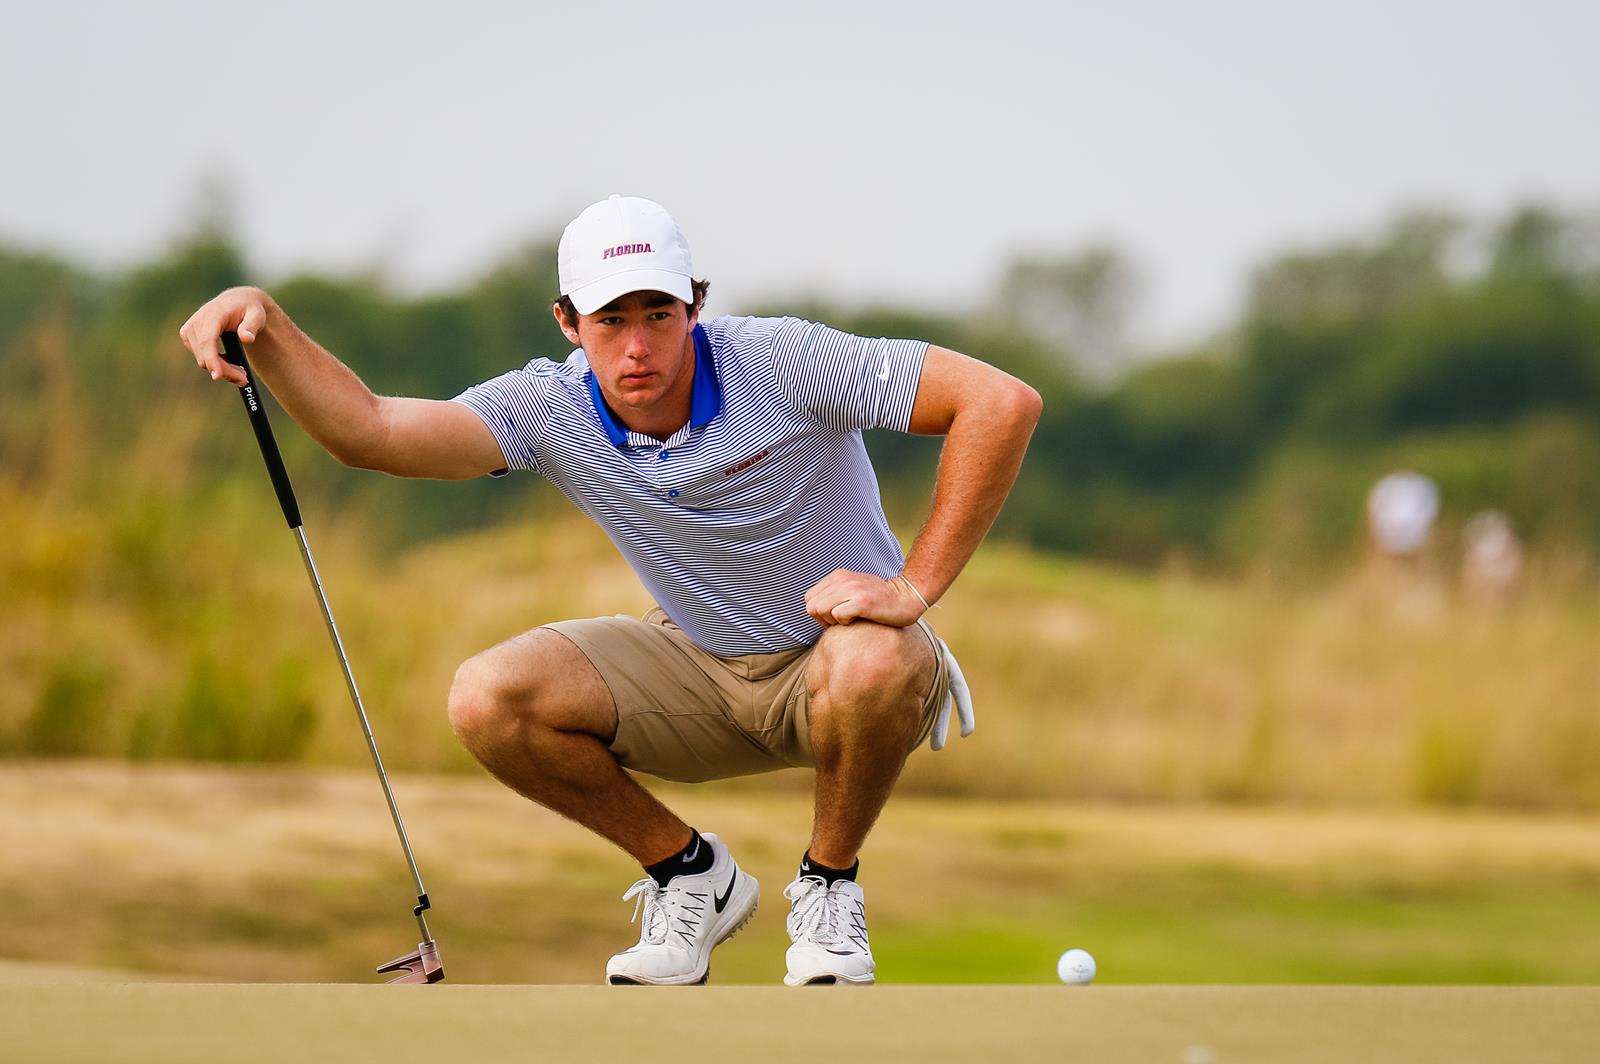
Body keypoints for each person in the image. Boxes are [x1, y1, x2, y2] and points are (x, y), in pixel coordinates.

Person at [180, 195, 1041, 986]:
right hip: (698, 669)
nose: (638, 346)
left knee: (874, 654)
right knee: (488, 698)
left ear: (693, 308)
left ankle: (828, 893)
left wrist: (915, 587)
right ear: (568, 321)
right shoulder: (546, 407)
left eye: (659, 315)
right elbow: (373, 432)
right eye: (611, 319)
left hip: (840, 670)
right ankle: (689, 876)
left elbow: (999, 402)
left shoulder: (782, 361)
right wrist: (269, 330)